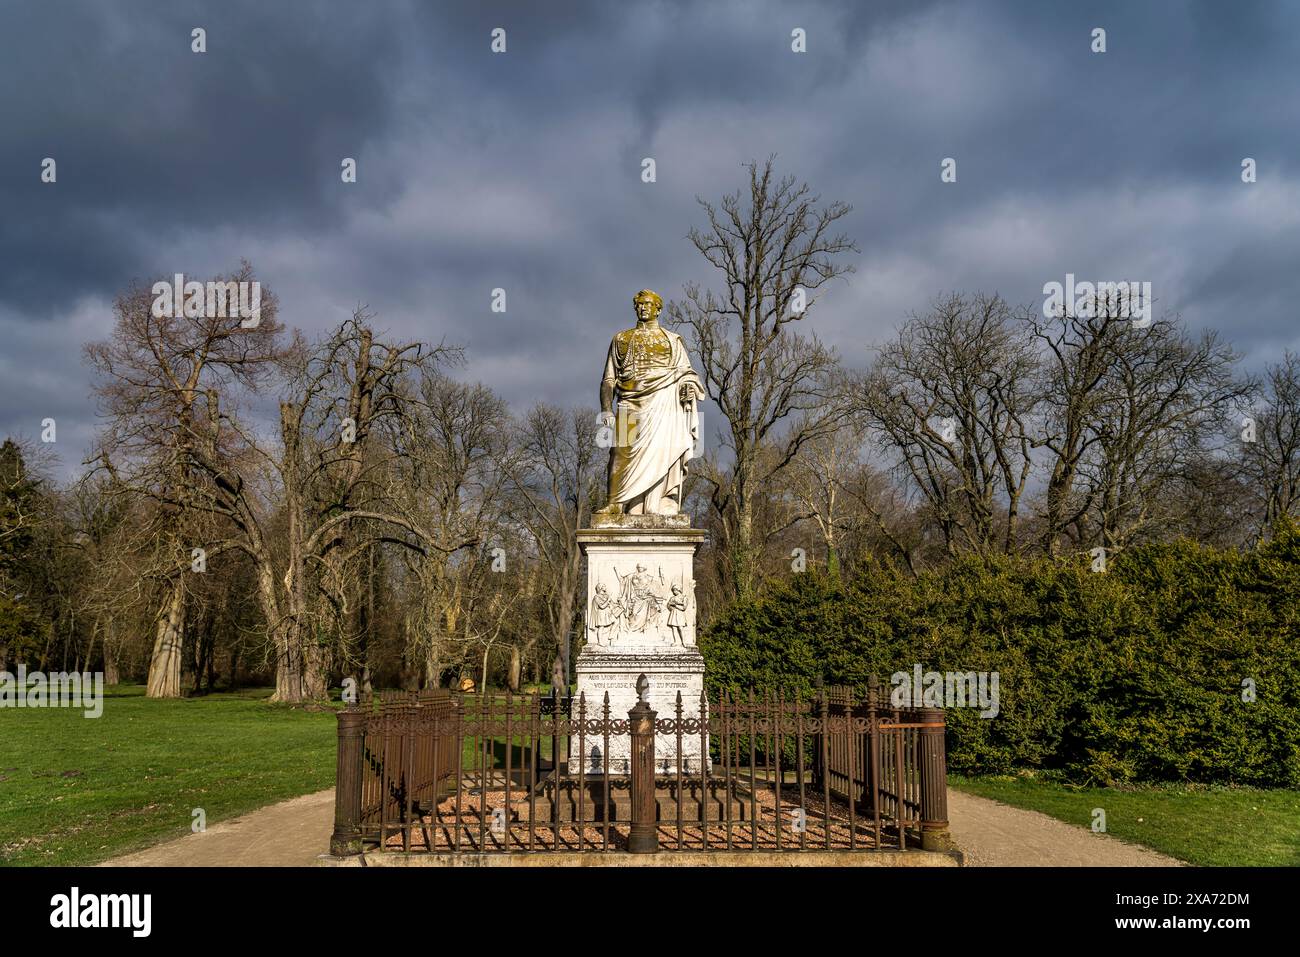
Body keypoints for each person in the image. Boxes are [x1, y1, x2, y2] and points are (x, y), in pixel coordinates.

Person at [593, 289, 704, 517]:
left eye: (648, 304)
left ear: (658, 309)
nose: (643, 307)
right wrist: (606, 408)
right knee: (619, 452)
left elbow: (686, 372)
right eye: (640, 304)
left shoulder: (672, 340)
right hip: (629, 403)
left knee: (663, 450)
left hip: (663, 403)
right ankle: (615, 502)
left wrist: (687, 386)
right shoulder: (621, 338)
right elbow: (609, 379)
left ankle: (659, 500)